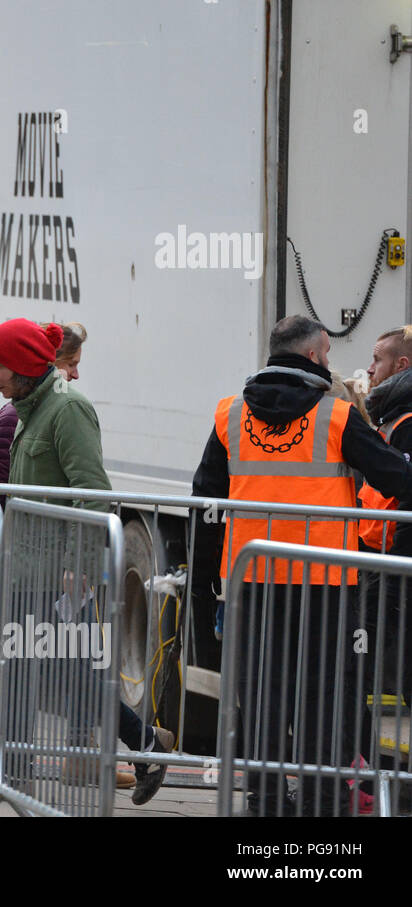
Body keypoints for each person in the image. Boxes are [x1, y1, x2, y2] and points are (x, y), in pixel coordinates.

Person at [0, 320, 173, 803]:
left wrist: (78, 564)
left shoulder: (68, 409)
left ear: (27, 367)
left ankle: (2, 769)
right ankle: (141, 746)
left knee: (32, 666)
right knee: (49, 668)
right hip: (27, 569)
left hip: (56, 575)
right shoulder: (26, 409)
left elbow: (92, 491)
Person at [191, 315, 412, 815]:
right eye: (328, 356)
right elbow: (394, 476)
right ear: (314, 356)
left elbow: (204, 499)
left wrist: (204, 579)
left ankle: (264, 797)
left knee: (262, 692)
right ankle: (322, 796)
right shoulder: (336, 417)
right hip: (326, 581)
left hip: (251, 581)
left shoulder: (229, 414)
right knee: (323, 693)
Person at [355, 326, 412, 770]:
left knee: (354, 667)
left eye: (377, 360)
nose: (369, 369)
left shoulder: (407, 424)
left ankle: (359, 768)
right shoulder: (392, 418)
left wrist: (394, 566)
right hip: (381, 562)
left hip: (392, 568)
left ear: (401, 366)